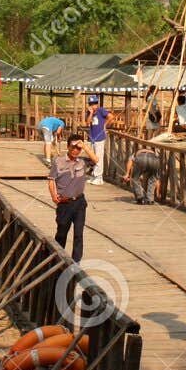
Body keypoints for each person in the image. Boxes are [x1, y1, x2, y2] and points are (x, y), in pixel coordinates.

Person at [48, 133, 95, 261]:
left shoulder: (83, 162)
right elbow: (51, 180)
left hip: (79, 202)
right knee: (62, 233)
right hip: (64, 203)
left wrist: (84, 146)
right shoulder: (58, 161)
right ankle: (57, 259)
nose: (75, 150)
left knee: (78, 234)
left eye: (78, 148)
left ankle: (75, 264)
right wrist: (53, 196)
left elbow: (95, 160)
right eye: (73, 147)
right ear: (68, 147)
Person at [86, 96, 110, 183]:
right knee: (93, 157)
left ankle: (99, 177)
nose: (93, 106)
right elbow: (88, 122)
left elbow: (111, 116)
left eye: (95, 103)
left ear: (97, 104)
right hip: (93, 137)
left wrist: (105, 125)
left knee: (99, 157)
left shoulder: (101, 110)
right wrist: (91, 113)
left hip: (100, 137)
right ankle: (94, 175)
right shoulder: (89, 112)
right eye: (91, 104)